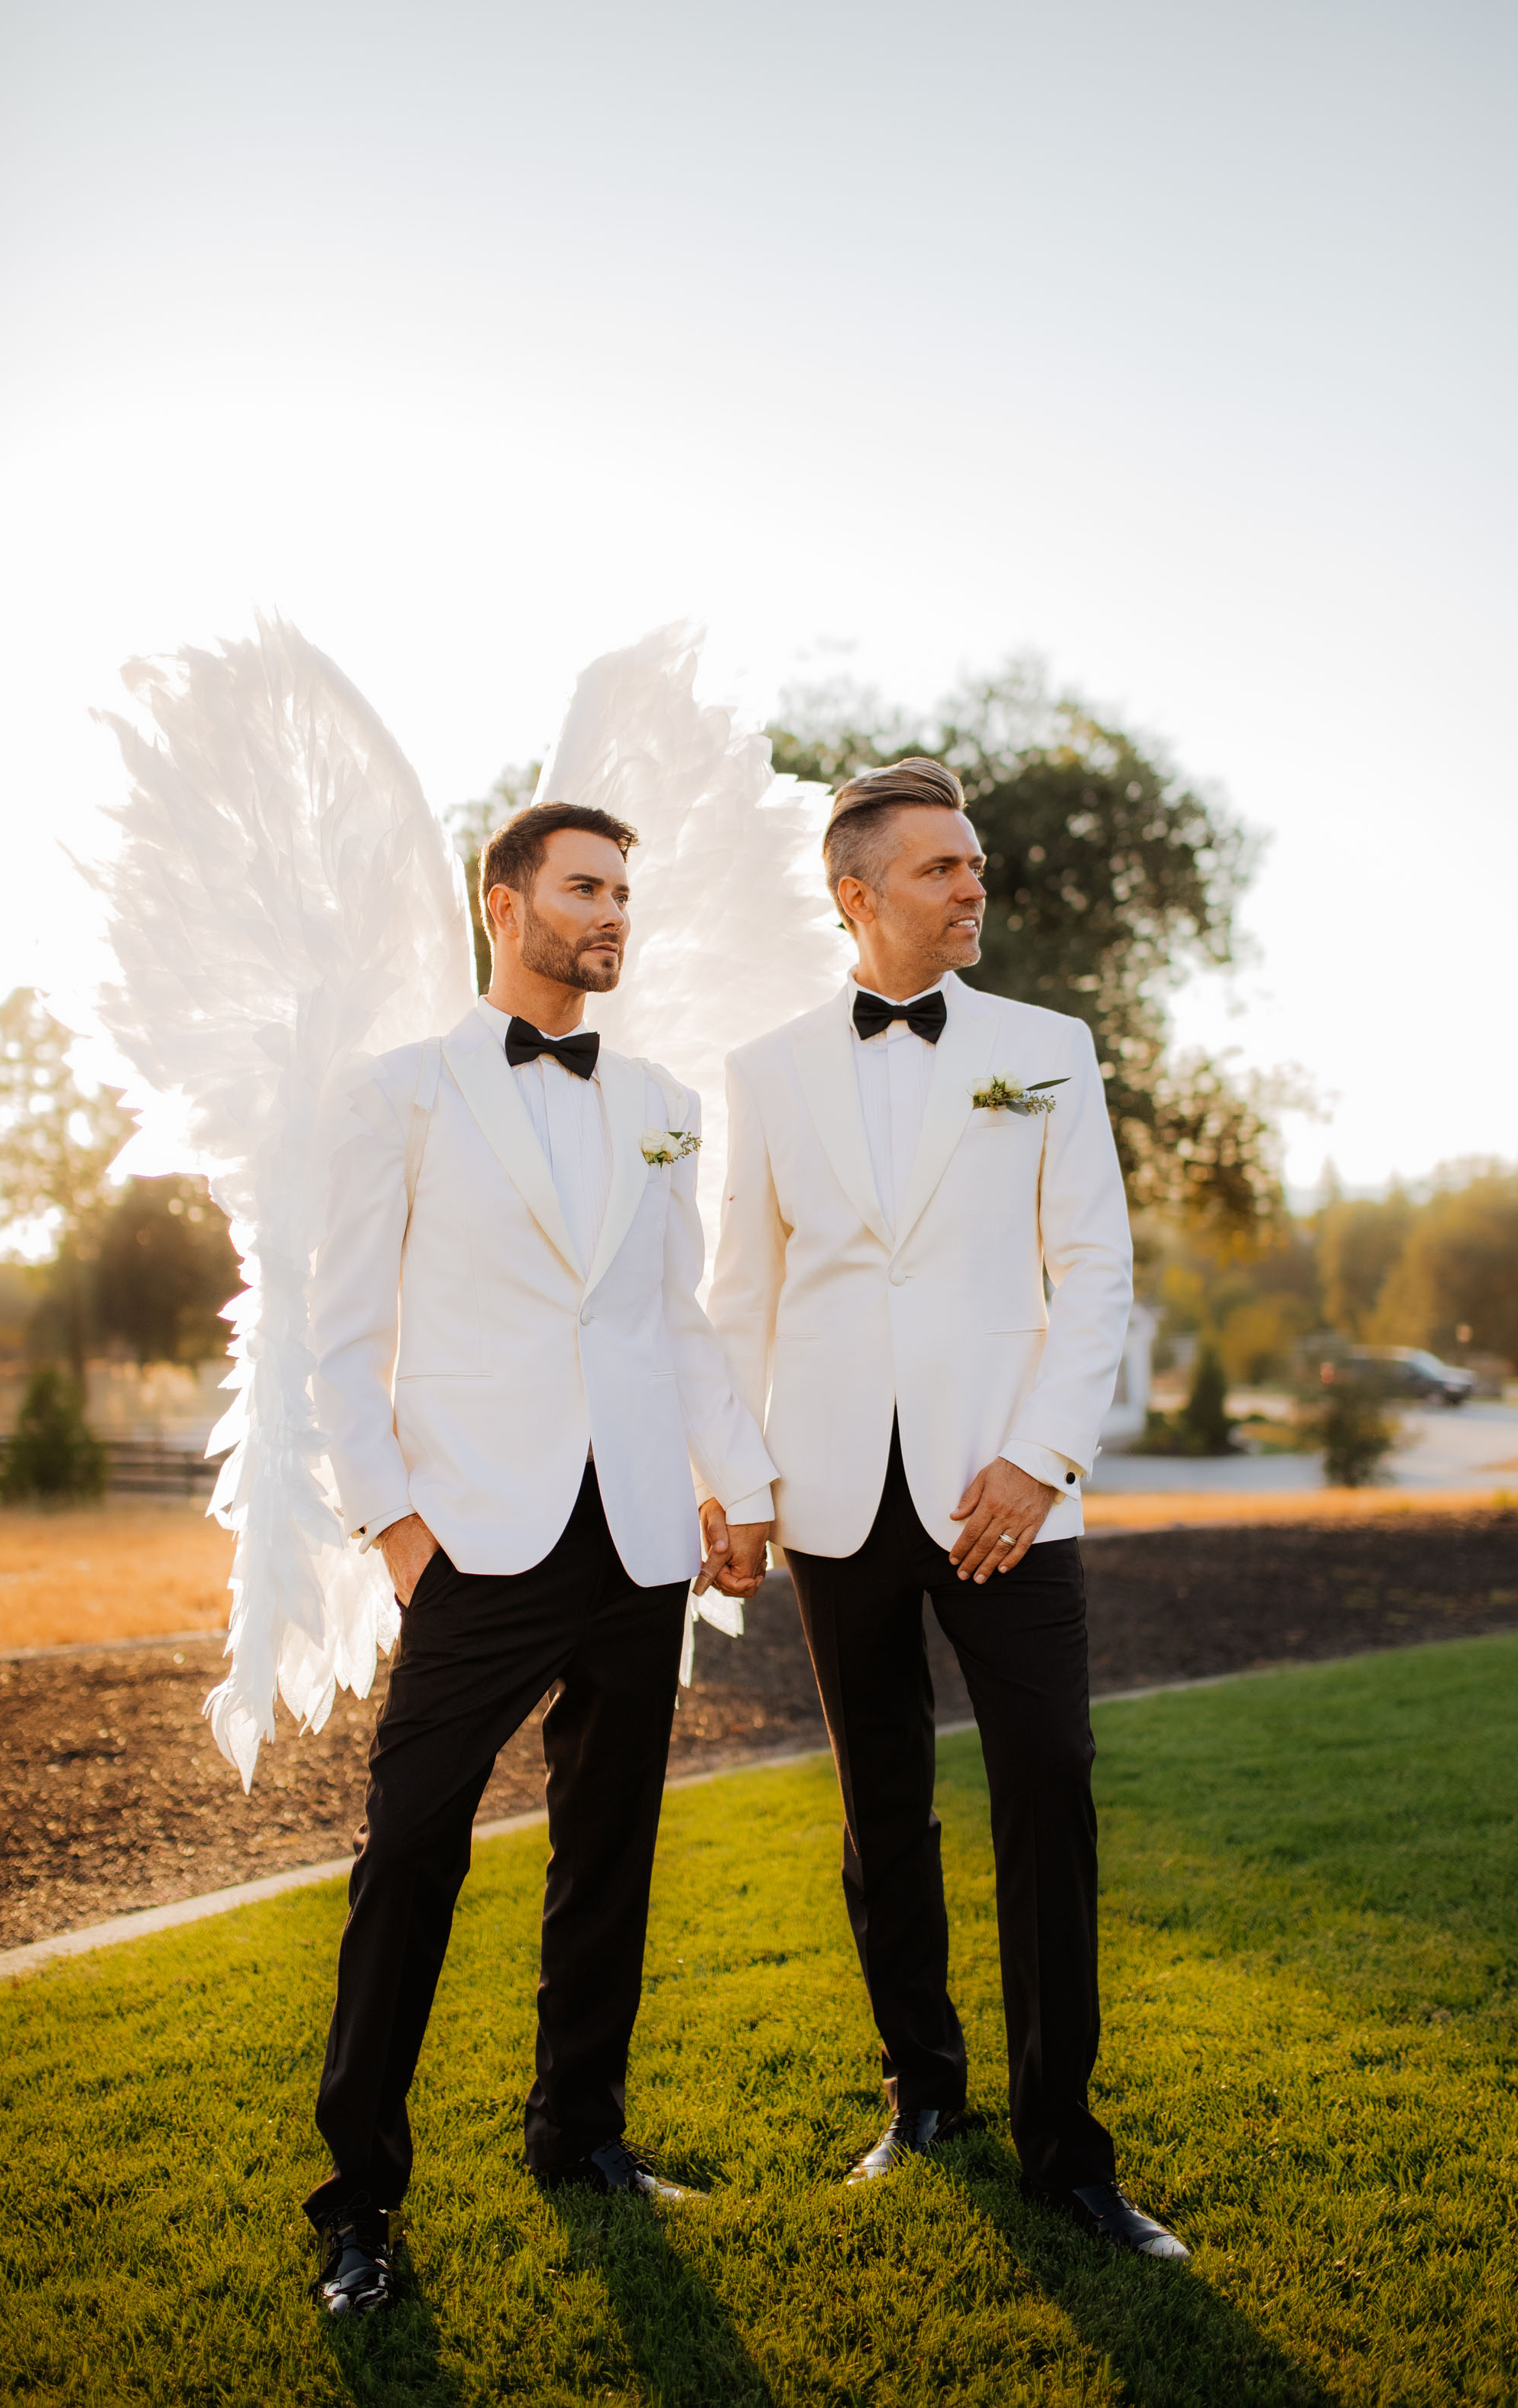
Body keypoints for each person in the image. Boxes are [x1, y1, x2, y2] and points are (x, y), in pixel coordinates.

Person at [705, 758, 1187, 2258]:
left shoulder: (1049, 1047)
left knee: (1048, 1790)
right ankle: (924, 2095)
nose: (974, 887)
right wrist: (735, 1483)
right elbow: (738, 1295)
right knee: (881, 1815)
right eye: (942, 870)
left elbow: (1094, 1267)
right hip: (835, 1496)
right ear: (859, 895)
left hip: (1004, 1494)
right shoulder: (767, 1069)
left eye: (976, 867)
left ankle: (1070, 2152)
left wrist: (1043, 1457)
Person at [303, 799, 777, 2314]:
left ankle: (579, 2135)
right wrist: (398, 1530)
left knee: (609, 1860)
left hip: (637, 1537)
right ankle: (358, 2208)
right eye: (584, 889)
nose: (612, 915)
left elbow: (674, 1319)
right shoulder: (401, 1096)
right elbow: (339, 1342)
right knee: (409, 1864)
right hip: (477, 1544)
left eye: (624, 893)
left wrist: (740, 1483)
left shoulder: (659, 1097)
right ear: (501, 906)